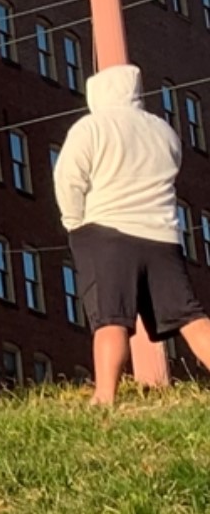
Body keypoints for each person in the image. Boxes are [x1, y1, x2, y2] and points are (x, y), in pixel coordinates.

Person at [54, 64, 210, 406]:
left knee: (111, 318)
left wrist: (73, 221)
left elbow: (68, 178)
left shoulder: (91, 127)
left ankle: (105, 396)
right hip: (162, 235)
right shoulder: (163, 130)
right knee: (190, 316)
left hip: (107, 231)